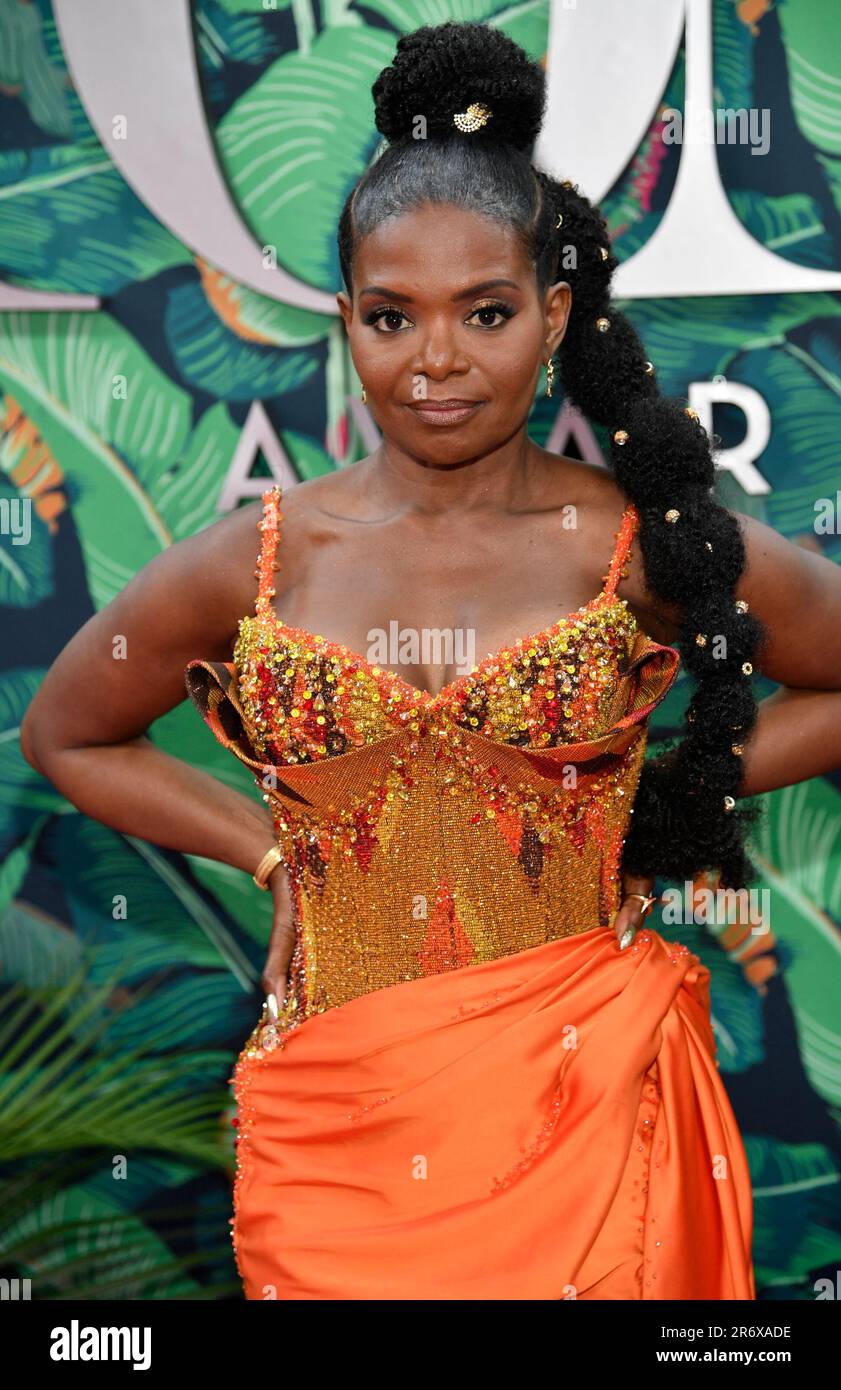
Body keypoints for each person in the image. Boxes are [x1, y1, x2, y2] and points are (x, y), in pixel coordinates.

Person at [20, 21, 841, 1301]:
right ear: (345, 318)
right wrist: (266, 846)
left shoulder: (637, 544)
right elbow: (66, 732)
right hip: (339, 1125)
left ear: (554, 313)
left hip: (584, 1106)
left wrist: (654, 802)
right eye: (393, 317)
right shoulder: (258, 560)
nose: (438, 360)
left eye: (488, 312)